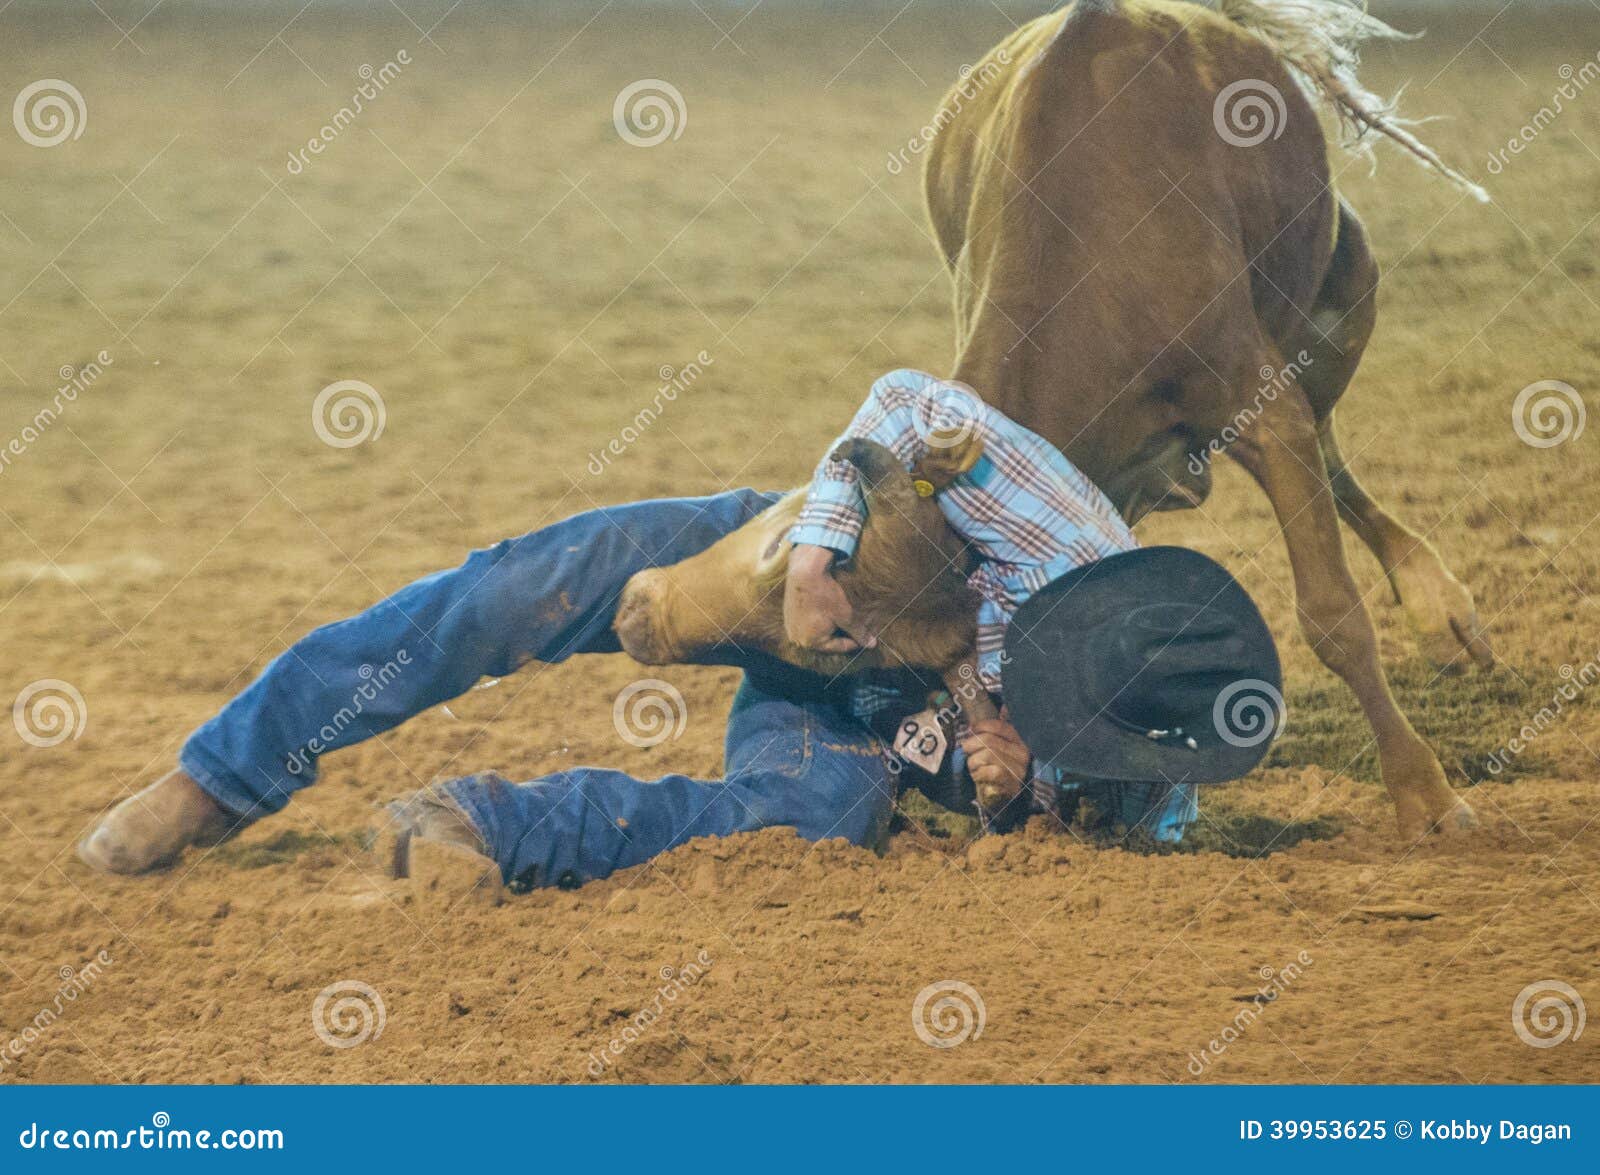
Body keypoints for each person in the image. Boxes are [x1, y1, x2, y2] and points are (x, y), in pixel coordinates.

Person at [78, 371, 1278, 891]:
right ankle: (220, 774)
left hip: (869, 718)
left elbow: (1068, 845)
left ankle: (477, 822)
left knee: (800, 825)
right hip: (776, 567)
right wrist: (816, 546)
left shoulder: (1142, 778)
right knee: (531, 587)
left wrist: (1011, 789)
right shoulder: (1063, 524)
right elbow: (911, 402)